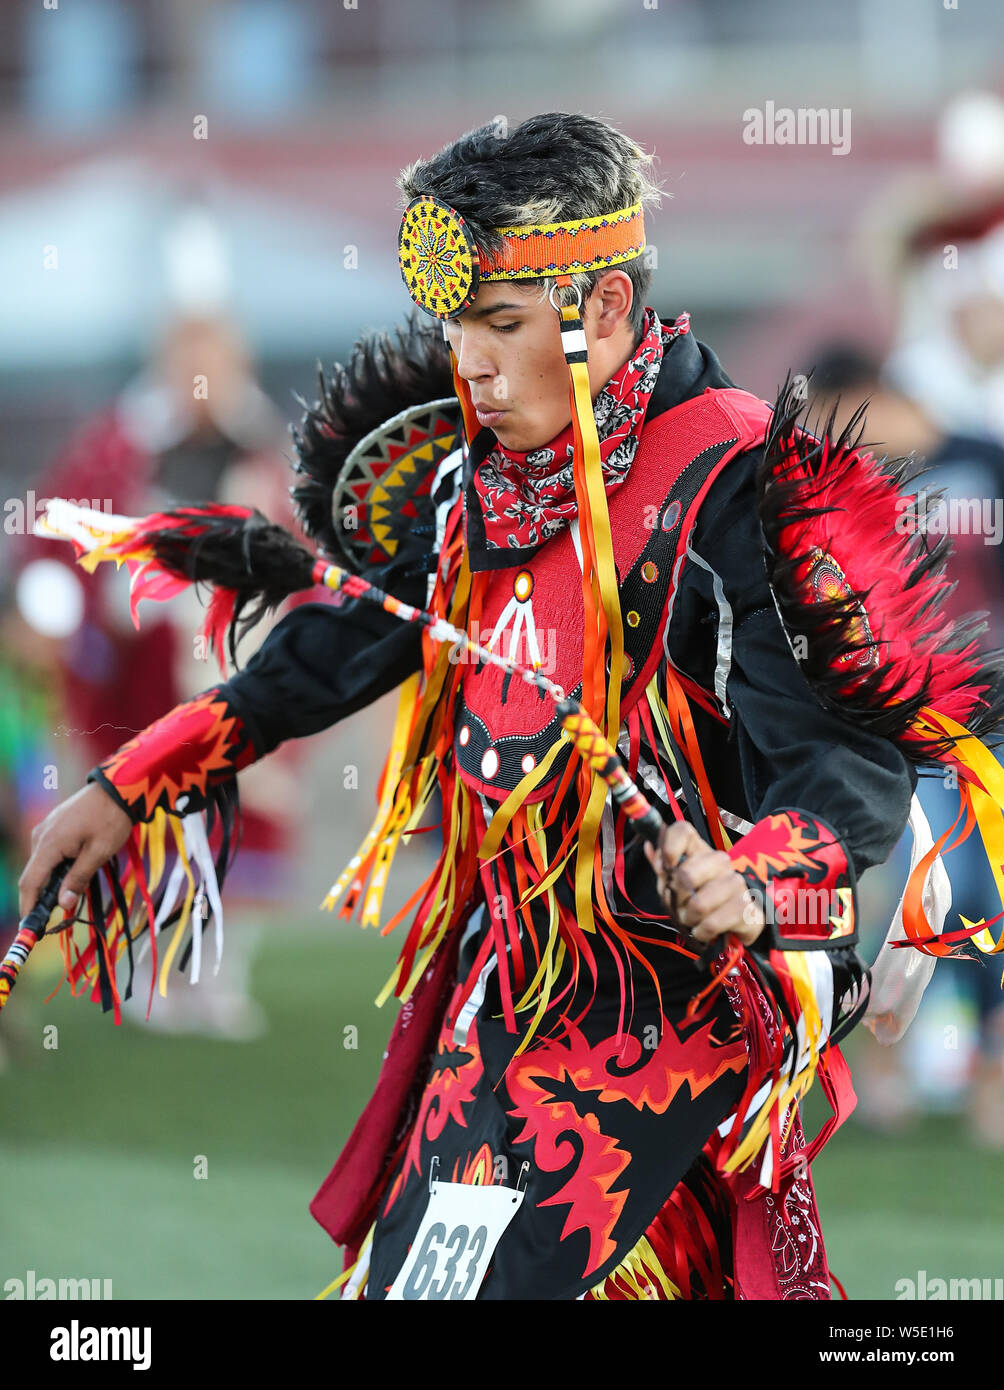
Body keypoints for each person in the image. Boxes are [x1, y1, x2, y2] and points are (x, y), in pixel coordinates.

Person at [18, 112, 1004, 1301]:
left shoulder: (744, 480)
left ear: (598, 310)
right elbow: (336, 642)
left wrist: (748, 875)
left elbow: (840, 769)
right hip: (500, 992)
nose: (470, 364)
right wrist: (134, 780)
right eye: (456, 327)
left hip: (669, 1016)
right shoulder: (471, 475)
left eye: (499, 324)